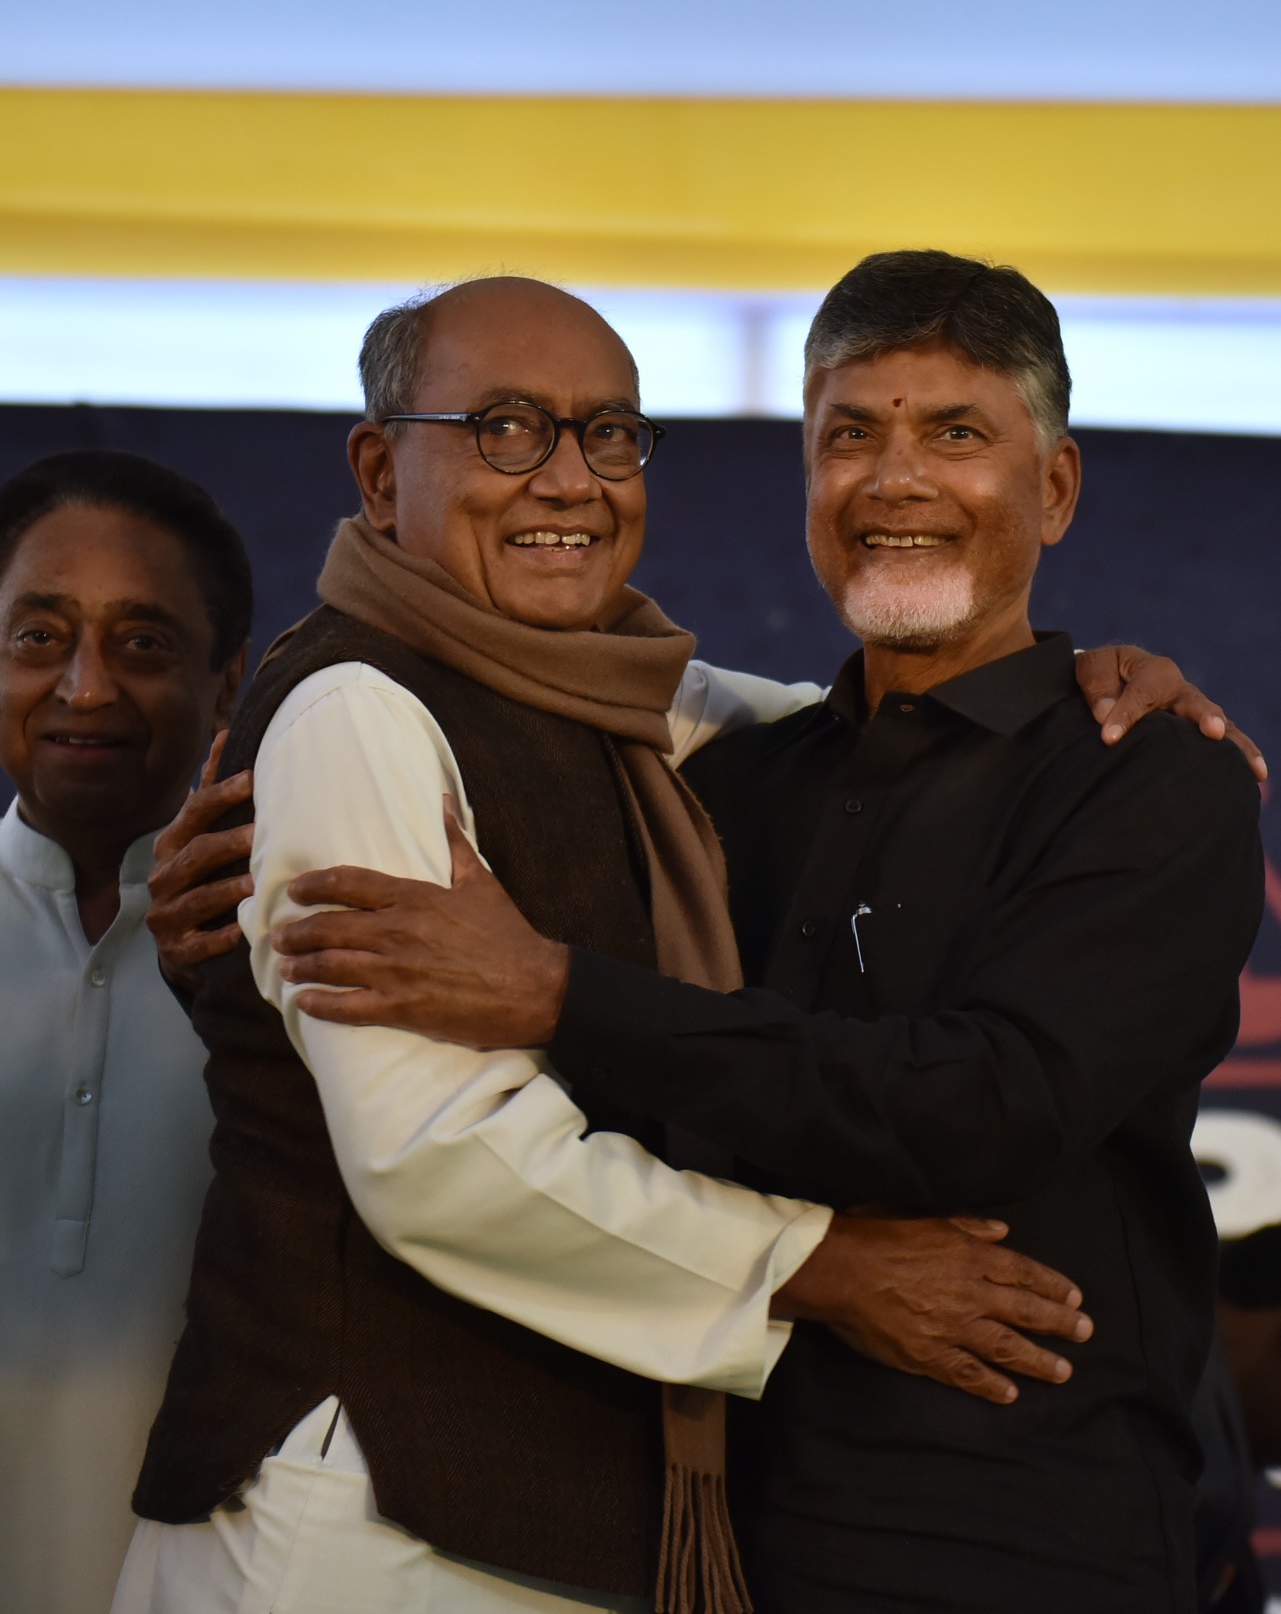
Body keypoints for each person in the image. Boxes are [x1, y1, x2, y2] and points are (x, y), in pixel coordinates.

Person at [118, 276, 1138, 1614]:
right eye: (502, 428)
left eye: (608, 433)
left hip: (533, 1531)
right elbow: (440, 1154)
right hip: (354, 1531)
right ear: (379, 471)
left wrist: (1084, 697)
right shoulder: (357, 712)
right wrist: (820, 1266)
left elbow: (857, 732)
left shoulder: (610, 700)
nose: (568, 480)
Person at [0, 450, 250, 1614]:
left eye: (143, 643)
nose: (84, 688)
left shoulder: (299, 967)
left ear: (231, 687)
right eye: (37, 636)